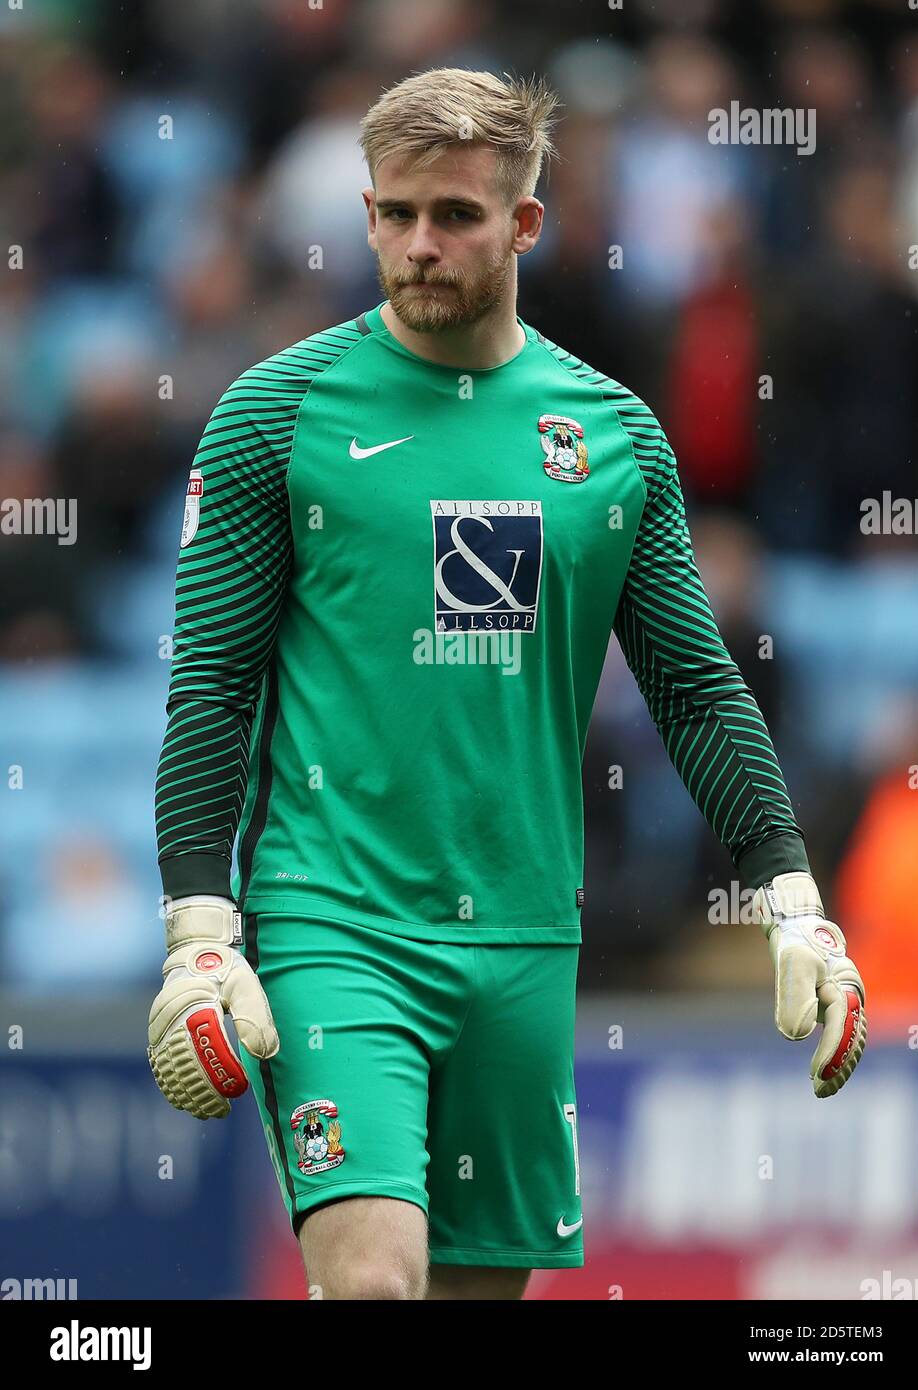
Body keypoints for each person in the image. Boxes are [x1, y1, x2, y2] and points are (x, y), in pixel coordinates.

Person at [147, 68, 866, 1301]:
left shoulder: (615, 436)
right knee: (374, 1280)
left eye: (458, 217)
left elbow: (694, 688)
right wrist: (199, 929)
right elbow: (211, 685)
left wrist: (794, 900)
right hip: (337, 919)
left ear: (526, 224)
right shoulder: (274, 416)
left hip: (526, 933)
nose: (420, 245)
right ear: (367, 210)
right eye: (396, 214)